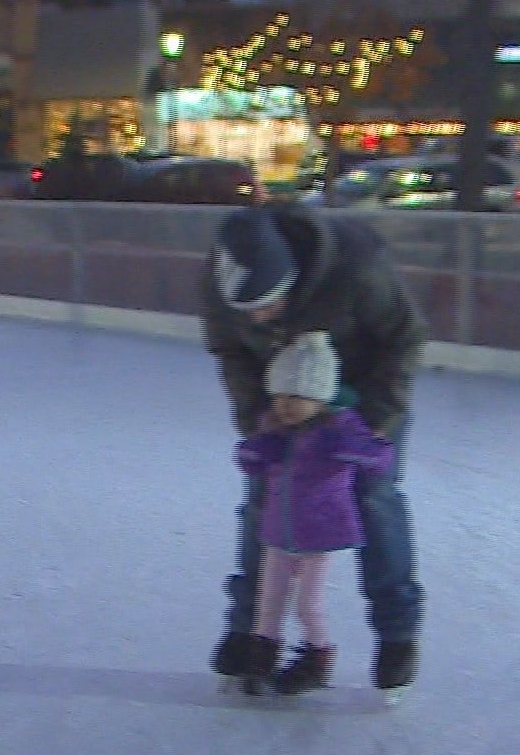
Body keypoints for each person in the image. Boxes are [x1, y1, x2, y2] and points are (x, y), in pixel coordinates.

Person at [202, 201, 427, 698]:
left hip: (365, 396)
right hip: (281, 404)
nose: (259, 317)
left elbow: (405, 339)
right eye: (248, 311)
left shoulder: (356, 264)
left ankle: (397, 634)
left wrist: (371, 424)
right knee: (264, 501)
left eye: (270, 305)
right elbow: (230, 351)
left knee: (374, 498)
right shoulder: (219, 278)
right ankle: (249, 635)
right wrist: (256, 421)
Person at [218, 332, 395, 695]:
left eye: (295, 397)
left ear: (320, 396)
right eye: (280, 395)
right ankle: (261, 658)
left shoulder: (340, 428)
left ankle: (318, 658)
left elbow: (378, 458)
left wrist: (351, 448)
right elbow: (248, 462)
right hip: (278, 532)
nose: (285, 405)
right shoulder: (277, 428)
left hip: (320, 531)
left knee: (308, 605)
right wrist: (256, 449)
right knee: (269, 603)